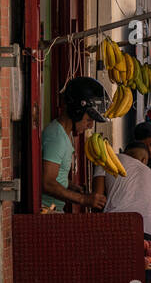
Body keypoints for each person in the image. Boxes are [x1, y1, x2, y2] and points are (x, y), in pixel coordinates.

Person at [41, 77, 108, 214]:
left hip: (54, 209)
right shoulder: (57, 138)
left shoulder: (67, 135)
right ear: (76, 111)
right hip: (46, 211)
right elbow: (47, 182)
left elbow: (56, 174)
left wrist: (71, 186)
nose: (90, 125)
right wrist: (83, 200)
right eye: (88, 119)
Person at [92, 130, 151, 249]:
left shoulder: (107, 160)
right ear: (144, 160)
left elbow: (97, 200)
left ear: (125, 153)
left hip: (116, 230)